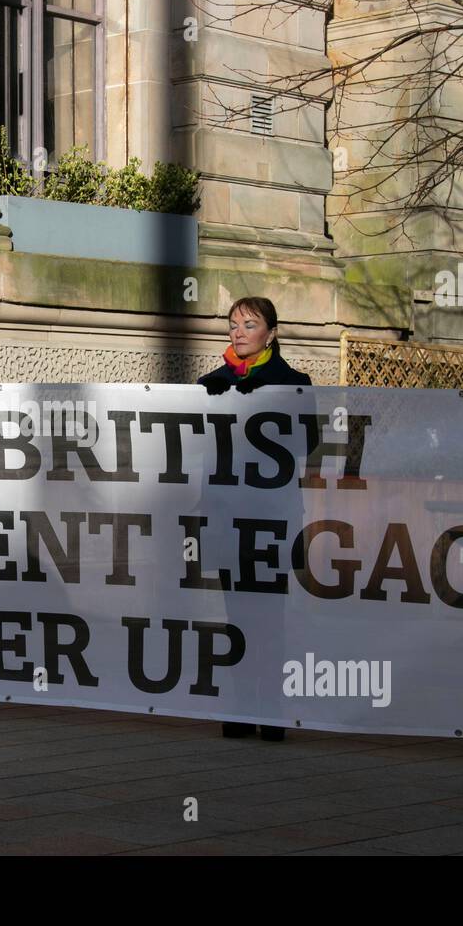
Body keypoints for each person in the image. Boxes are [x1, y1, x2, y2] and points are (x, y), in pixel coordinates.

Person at [199, 296, 311, 741]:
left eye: (250, 323)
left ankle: (272, 707)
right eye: (233, 324)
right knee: (237, 615)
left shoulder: (293, 383)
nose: (239, 331)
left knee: (270, 614)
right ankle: (242, 705)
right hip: (227, 517)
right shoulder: (209, 385)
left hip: (271, 518)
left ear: (271, 332)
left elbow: (308, 443)